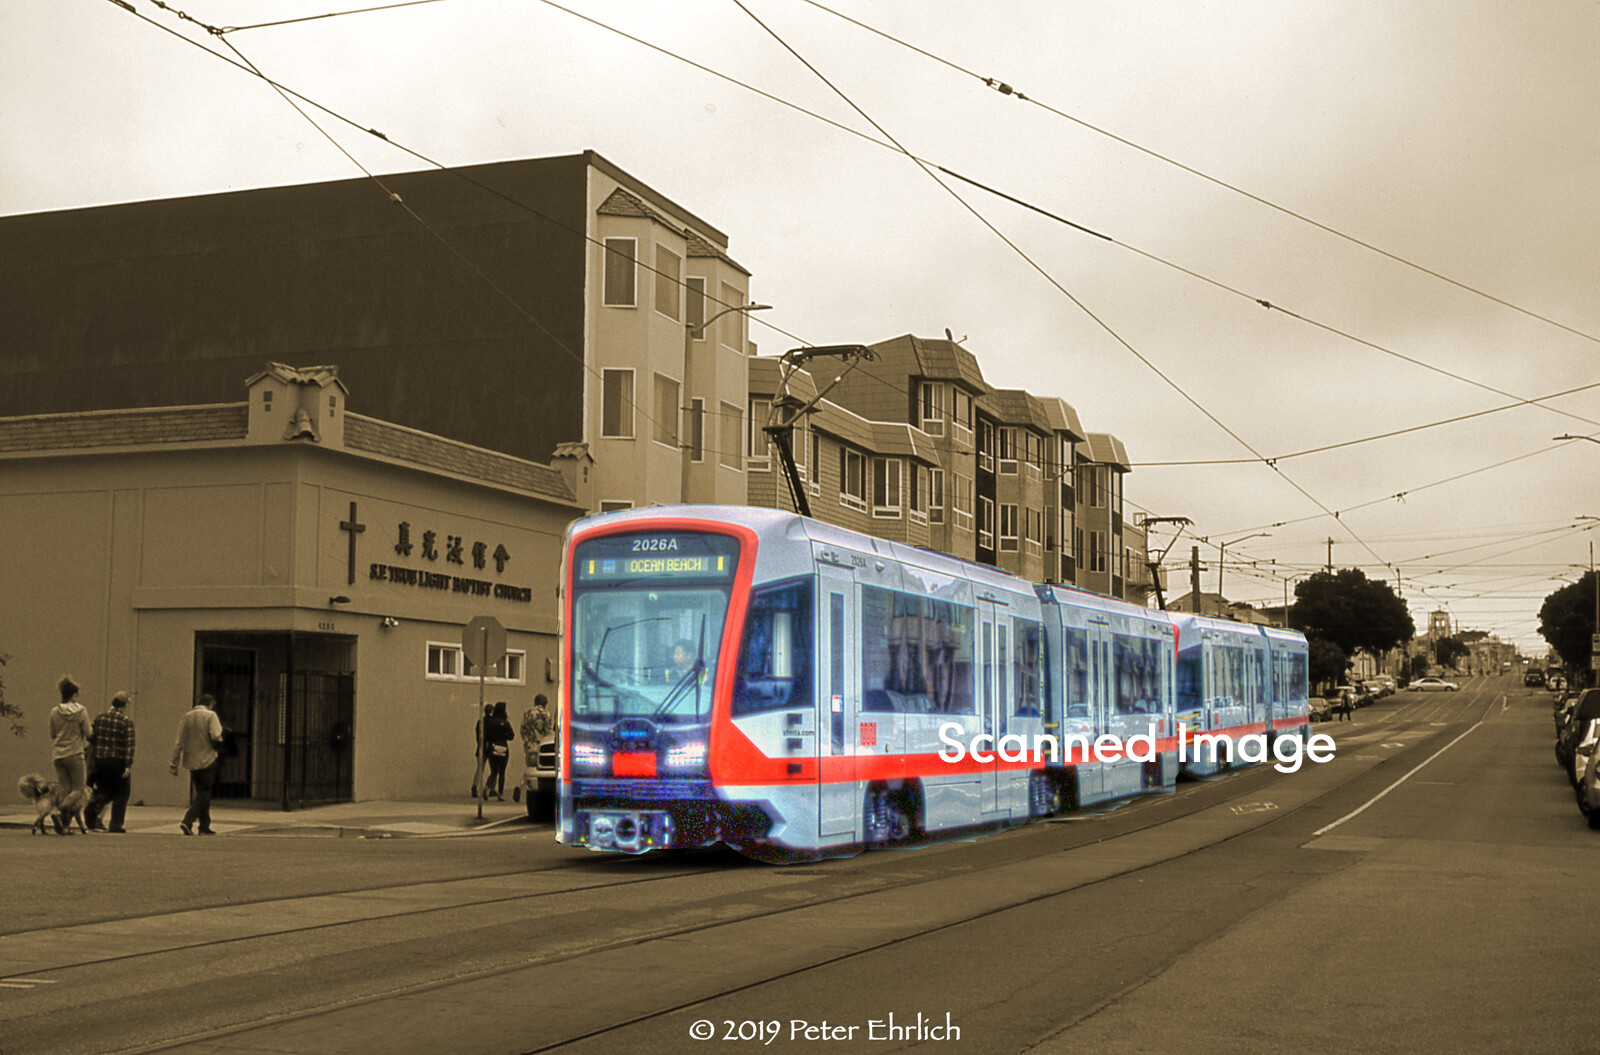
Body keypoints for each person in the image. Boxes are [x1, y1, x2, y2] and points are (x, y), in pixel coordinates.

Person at [170, 694, 224, 835]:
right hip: (207, 759)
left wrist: (174, 762)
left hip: (191, 761)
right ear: (211, 704)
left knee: (201, 792)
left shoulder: (187, 716)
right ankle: (188, 821)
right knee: (204, 793)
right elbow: (215, 735)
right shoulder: (211, 716)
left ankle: (204, 826)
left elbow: (179, 741)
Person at [85, 691, 136, 833]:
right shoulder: (126, 722)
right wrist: (127, 765)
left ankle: (92, 811)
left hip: (100, 761)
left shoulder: (99, 718)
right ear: (124, 705)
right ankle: (116, 824)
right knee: (122, 792)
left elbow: (91, 738)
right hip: (117, 761)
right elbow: (129, 745)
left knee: (103, 788)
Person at [48, 676, 93, 834]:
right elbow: (88, 733)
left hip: (58, 754)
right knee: (78, 790)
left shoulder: (54, 711)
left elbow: (53, 734)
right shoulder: (81, 711)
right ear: (74, 695)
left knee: (65, 789)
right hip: (74, 753)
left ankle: (64, 827)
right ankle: (58, 811)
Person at [482, 701, 515, 800]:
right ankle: (500, 794)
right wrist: (504, 736)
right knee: (502, 772)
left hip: (492, 747)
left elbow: (486, 736)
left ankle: (487, 786)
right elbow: (511, 736)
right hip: (503, 747)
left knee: (494, 771)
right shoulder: (505, 723)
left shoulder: (490, 722)